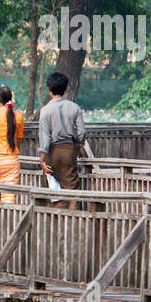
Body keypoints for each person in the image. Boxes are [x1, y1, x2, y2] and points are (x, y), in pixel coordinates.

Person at [37, 71, 87, 210]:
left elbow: (45, 137)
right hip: (69, 150)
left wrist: (42, 159)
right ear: (65, 89)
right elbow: (82, 132)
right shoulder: (74, 107)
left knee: (53, 186)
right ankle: (73, 219)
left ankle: (56, 218)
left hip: (52, 152)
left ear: (49, 89)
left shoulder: (45, 110)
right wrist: (78, 148)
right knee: (71, 186)